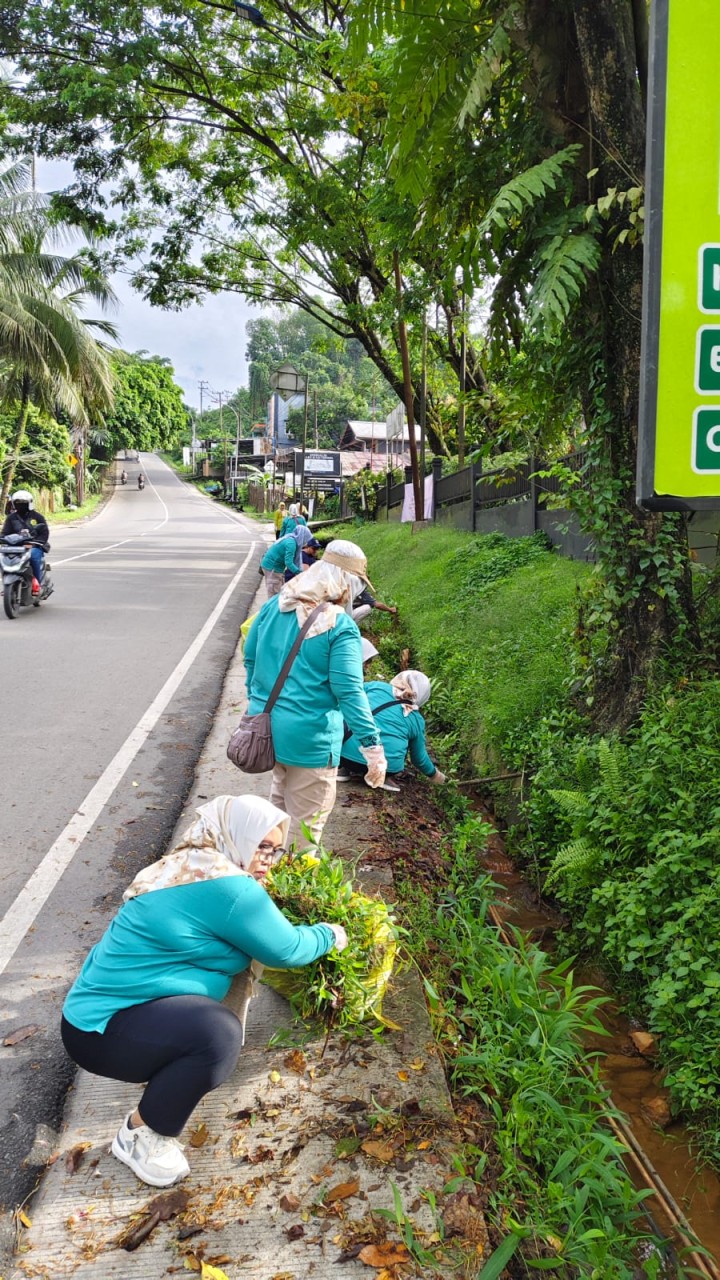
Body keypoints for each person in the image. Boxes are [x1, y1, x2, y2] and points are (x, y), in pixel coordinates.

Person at [60, 795, 347, 1189]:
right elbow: (287, 949)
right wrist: (329, 935)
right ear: (236, 836)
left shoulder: (190, 866)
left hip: (101, 1018)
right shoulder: (229, 888)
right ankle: (141, 1135)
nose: (268, 859)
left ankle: (166, 1078)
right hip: (103, 1031)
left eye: (277, 851)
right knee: (218, 1035)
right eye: (262, 846)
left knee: (211, 1036)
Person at [244, 543, 388, 847]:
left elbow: (250, 656)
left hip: (267, 729)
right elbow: (349, 691)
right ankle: (291, 888)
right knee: (304, 835)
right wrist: (372, 747)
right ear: (346, 583)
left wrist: (257, 700)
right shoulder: (339, 626)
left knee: (277, 816)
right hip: (311, 742)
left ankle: (267, 877)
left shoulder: (275, 606)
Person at [339, 669, 447, 786]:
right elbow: (419, 758)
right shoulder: (417, 719)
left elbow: (348, 695)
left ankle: (343, 769)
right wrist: (436, 776)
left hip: (346, 758)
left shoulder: (377, 686)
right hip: (388, 769)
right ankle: (384, 778)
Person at [1, 490, 49, 590]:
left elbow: (44, 532)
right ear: (14, 504)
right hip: (16, 547)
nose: (21, 506)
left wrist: (39, 541)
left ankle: (37, 584)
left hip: (33, 545)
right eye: (18, 504)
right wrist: (3, 539)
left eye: (23, 504)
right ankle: (7, 585)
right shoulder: (11, 518)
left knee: (34, 557)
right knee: (3, 558)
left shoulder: (37, 517)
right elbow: (5, 533)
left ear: (29, 503)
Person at [260, 528, 320, 598]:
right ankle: (271, 608)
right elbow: (288, 562)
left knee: (280, 591)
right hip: (272, 567)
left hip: (275, 566)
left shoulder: (290, 538)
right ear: (302, 537)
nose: (306, 543)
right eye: (306, 539)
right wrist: (299, 573)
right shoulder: (291, 544)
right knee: (274, 594)